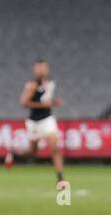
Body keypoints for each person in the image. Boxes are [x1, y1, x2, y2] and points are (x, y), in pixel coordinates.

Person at [8, 59, 67, 189]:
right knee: (33, 151)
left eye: (43, 68)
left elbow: (47, 100)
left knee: (54, 147)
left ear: (47, 69)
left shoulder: (50, 83)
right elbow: (23, 102)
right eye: (39, 68)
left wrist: (52, 102)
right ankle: (15, 154)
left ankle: (60, 178)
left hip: (47, 119)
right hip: (34, 122)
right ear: (35, 70)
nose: (41, 71)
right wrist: (43, 104)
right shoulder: (32, 85)